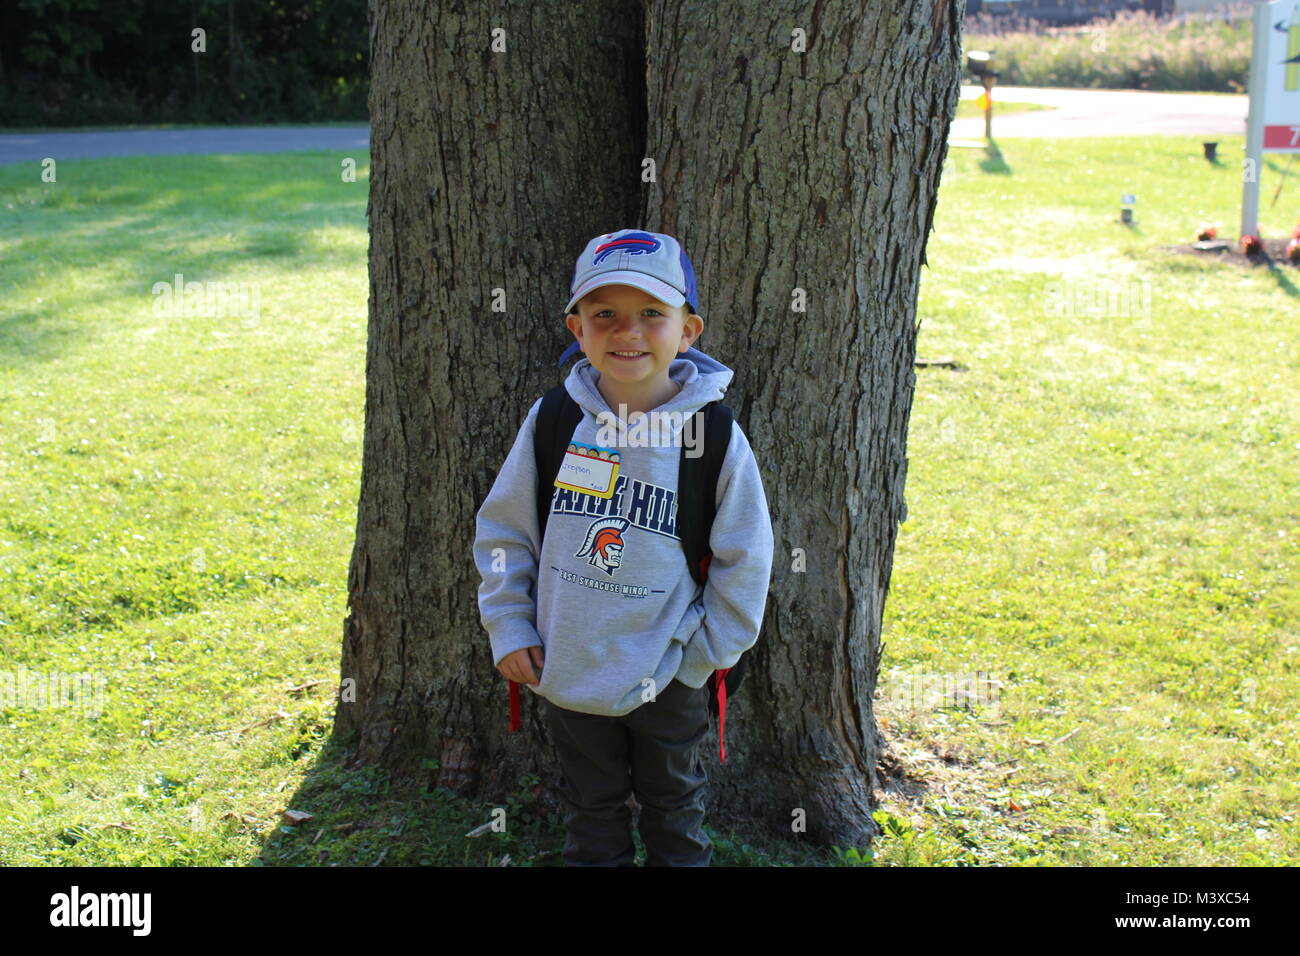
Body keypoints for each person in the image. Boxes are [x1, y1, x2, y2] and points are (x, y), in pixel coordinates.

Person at [472, 228, 775, 866]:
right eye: (603, 312)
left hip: (668, 673)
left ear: (688, 331)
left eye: (651, 314)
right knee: (591, 810)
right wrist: (508, 625)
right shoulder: (554, 419)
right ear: (576, 327)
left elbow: (746, 559)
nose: (626, 330)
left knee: (674, 810)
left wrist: (700, 659)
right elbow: (505, 533)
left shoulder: (712, 436)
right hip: (568, 665)